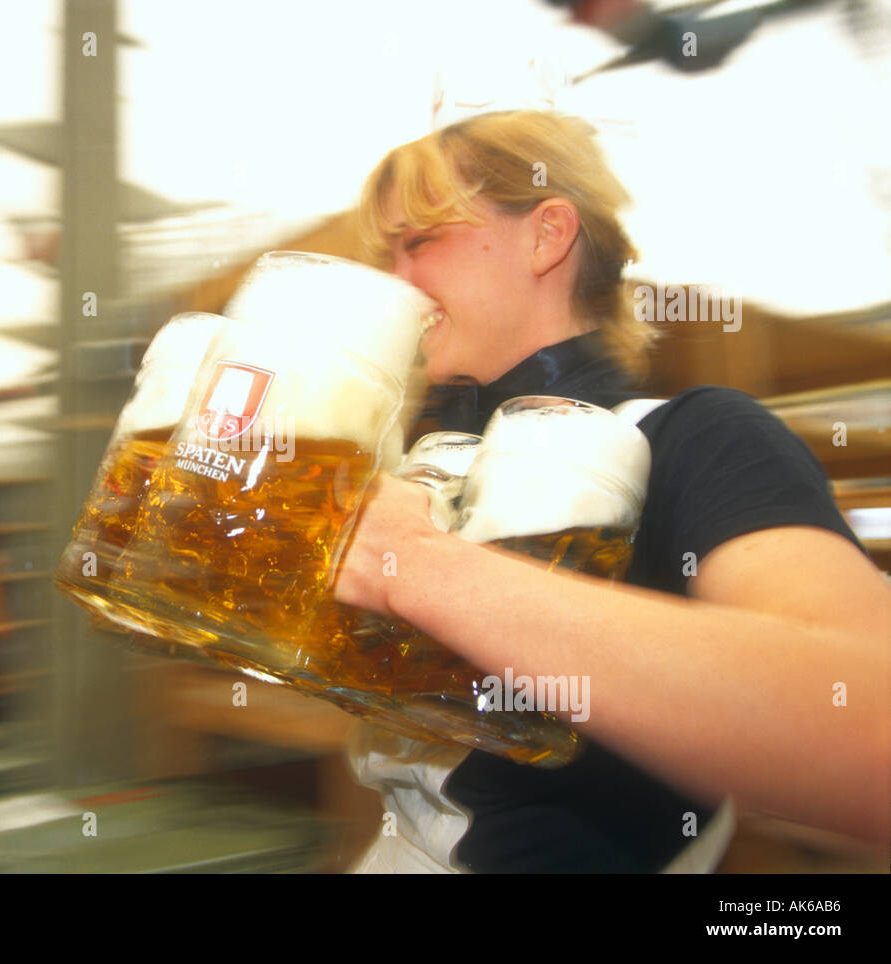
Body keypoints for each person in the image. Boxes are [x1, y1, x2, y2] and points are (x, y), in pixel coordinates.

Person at [332, 110, 891, 872]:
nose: (397, 282)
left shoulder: (696, 437)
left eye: (420, 242)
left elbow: (866, 717)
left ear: (546, 235)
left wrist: (419, 565)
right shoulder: (427, 455)